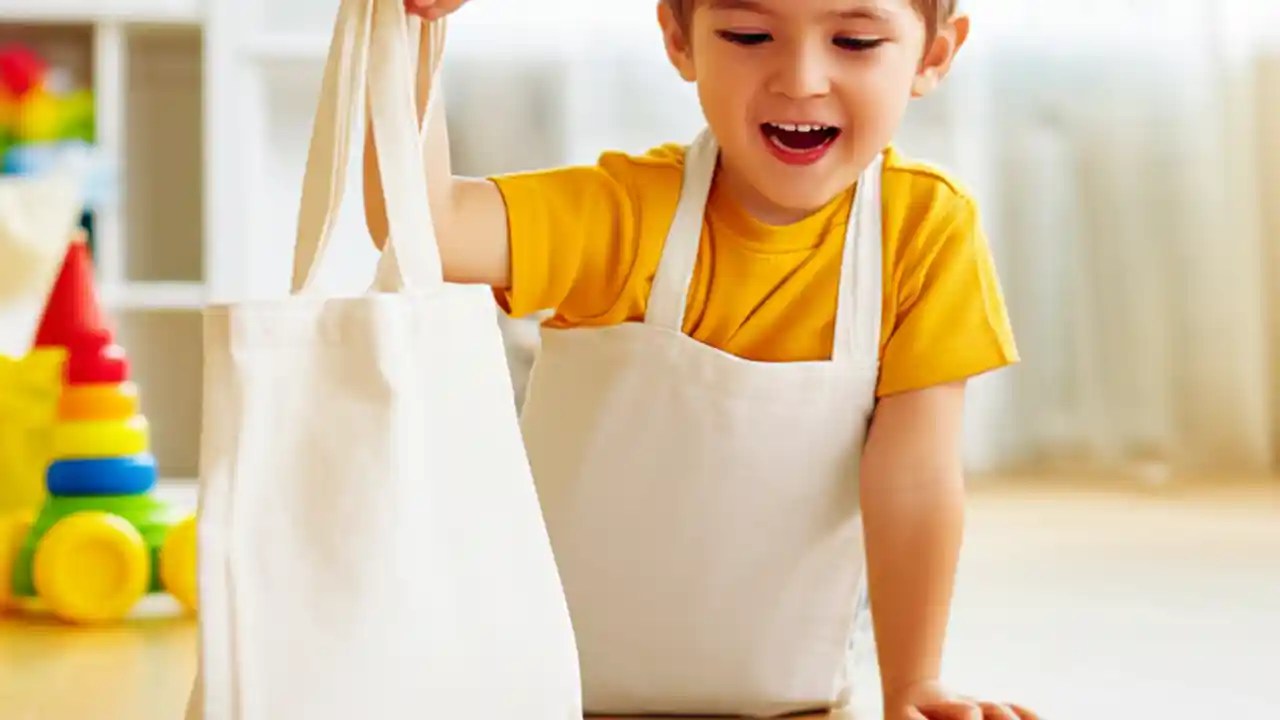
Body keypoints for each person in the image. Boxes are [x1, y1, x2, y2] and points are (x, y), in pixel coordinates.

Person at [371, 1, 1039, 719]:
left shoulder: (923, 232)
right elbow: (426, 230)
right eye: (750, 36)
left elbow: (914, 483)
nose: (801, 79)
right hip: (547, 688)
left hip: (788, 701)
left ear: (934, 56)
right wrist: (411, 26)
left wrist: (913, 686)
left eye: (854, 41)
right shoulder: (625, 213)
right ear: (679, 39)